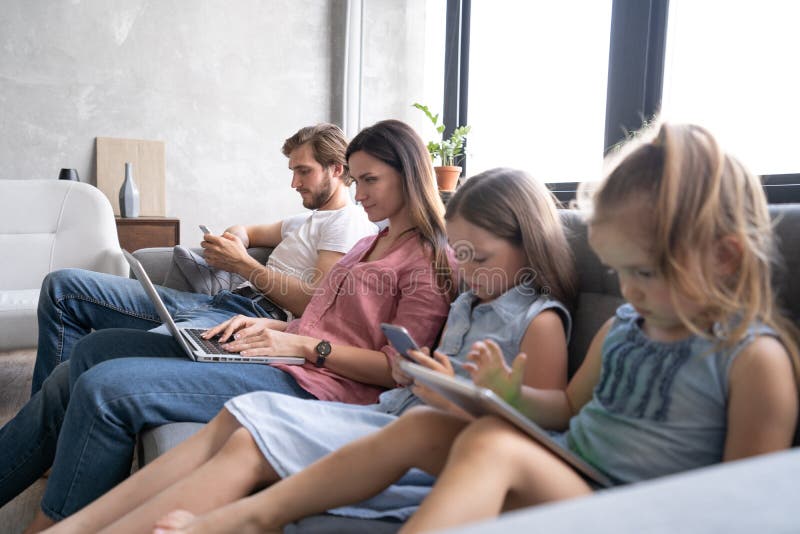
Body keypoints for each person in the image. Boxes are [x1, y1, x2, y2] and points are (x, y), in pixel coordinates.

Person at [149, 122, 797, 534]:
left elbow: (746, 500)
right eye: (619, 273)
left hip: (634, 508)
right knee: (435, 424)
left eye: (645, 273)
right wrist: (505, 394)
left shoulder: (753, 360)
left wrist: (503, 420)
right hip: (571, 473)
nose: (627, 292)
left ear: (725, 257)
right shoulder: (627, 327)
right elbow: (567, 407)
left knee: (491, 446)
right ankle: (256, 514)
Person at [41, 167, 579, 534]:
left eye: (477, 255)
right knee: (233, 413)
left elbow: (532, 423)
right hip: (401, 410)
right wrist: (428, 374)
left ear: (526, 240)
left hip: (408, 426)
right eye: (460, 253)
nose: (464, 267)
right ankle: (78, 526)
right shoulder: (468, 301)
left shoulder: (538, 319)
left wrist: (469, 389)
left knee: (238, 433)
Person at [2, 119, 455, 532]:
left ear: (409, 173)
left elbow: (398, 370)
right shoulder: (374, 239)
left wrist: (303, 347)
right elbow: (328, 315)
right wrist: (265, 323)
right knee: (90, 353)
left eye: (370, 180)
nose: (359, 194)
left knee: (105, 388)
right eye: (357, 181)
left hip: (319, 384)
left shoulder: (428, 261)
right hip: (283, 353)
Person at [31, 122, 377, 393]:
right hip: (221, 302)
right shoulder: (307, 219)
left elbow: (315, 305)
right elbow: (248, 230)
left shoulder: (345, 225)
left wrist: (241, 264)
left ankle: (54, 428)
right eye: (292, 171)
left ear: (335, 169)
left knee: (97, 351)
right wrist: (233, 241)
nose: (293, 182)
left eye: (303, 171)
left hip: (248, 318)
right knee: (62, 287)